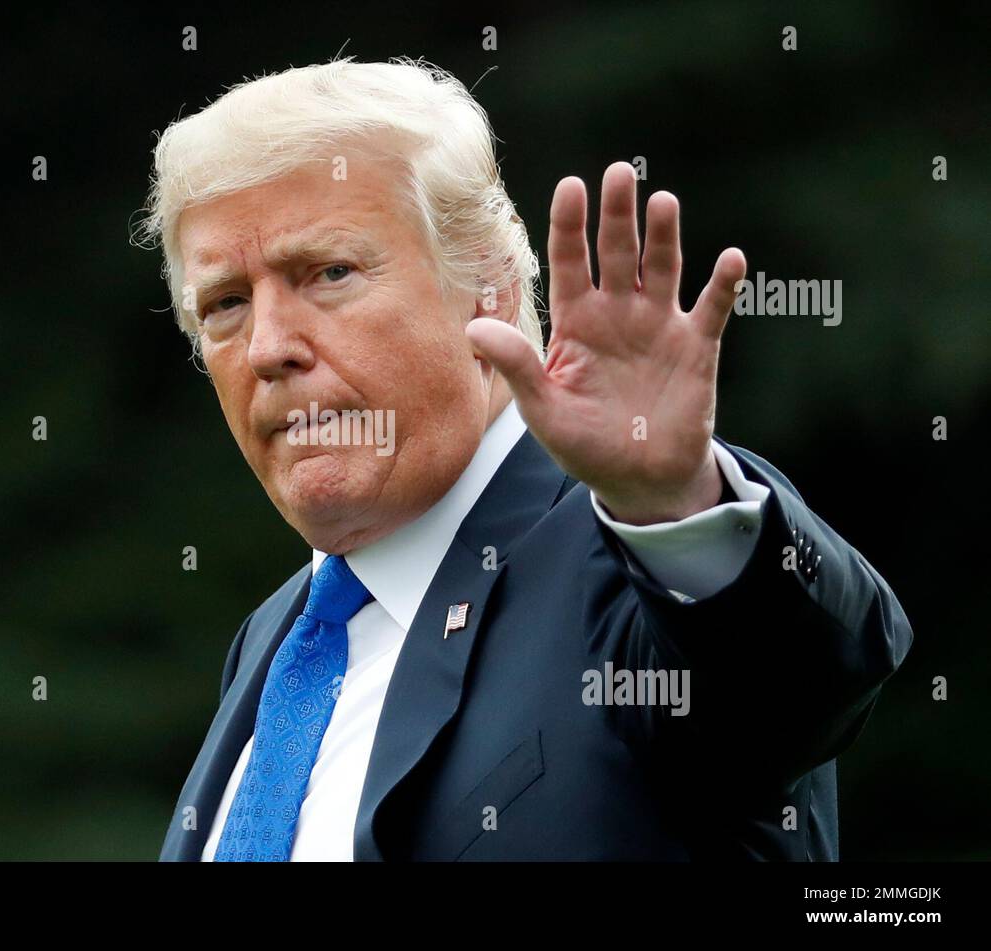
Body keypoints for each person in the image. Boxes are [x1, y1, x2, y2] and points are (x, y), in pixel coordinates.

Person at [138, 57, 913, 861]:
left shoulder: (638, 565)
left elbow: (806, 673)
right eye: (227, 303)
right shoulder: (280, 640)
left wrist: (678, 501)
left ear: (490, 287)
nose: (267, 348)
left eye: (329, 273)